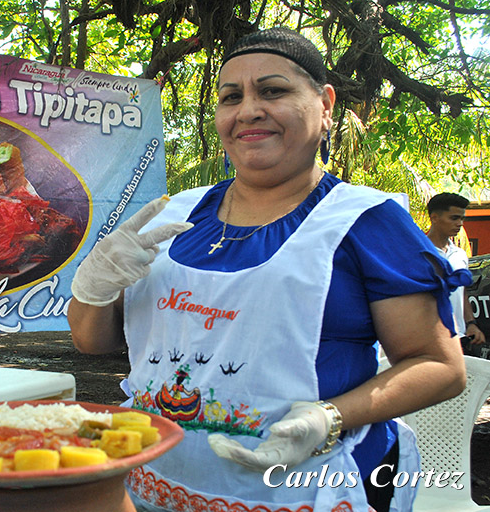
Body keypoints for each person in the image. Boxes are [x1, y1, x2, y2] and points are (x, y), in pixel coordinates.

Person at [68, 28, 469, 512]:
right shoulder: (170, 216)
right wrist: (92, 289)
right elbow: (92, 342)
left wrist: (328, 418)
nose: (248, 110)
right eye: (230, 97)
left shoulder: (364, 221)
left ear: (325, 104)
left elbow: (440, 367)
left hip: (308, 487)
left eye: (273, 91)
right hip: (155, 480)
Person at [426, 192, 486, 345]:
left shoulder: (460, 254)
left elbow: (462, 291)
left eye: (462, 219)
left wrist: (471, 323)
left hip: (458, 336)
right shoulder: (417, 252)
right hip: (426, 337)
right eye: (454, 218)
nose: (460, 223)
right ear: (434, 217)